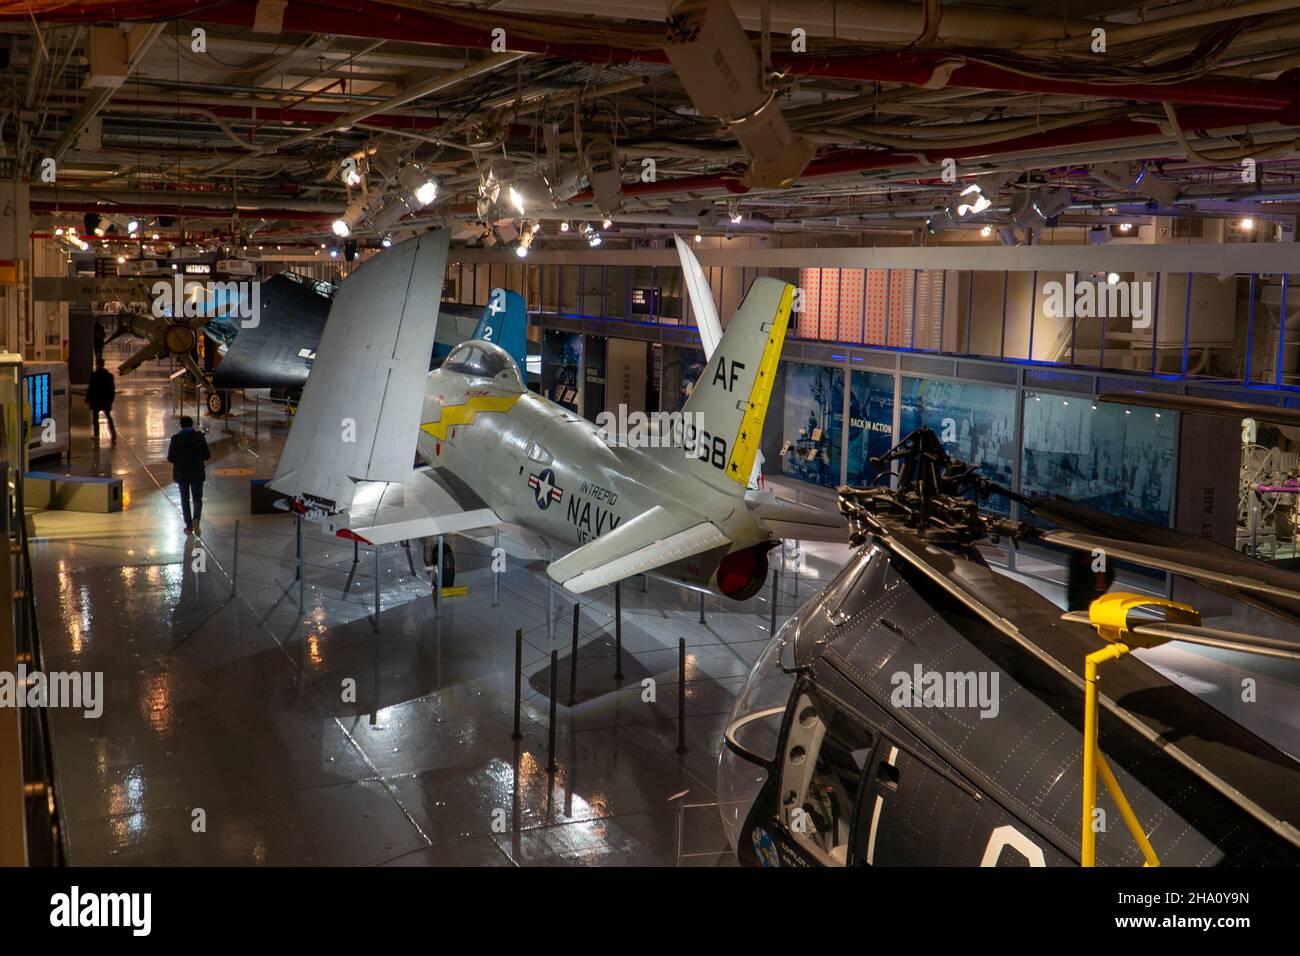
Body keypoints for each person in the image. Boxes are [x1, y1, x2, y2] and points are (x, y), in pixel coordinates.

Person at [167, 416, 211, 534]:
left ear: (181, 425)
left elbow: (170, 458)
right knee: (197, 498)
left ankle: (188, 526)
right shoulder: (199, 438)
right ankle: (196, 519)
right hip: (197, 472)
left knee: (185, 499)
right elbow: (207, 455)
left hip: (182, 474)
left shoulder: (176, 440)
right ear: (192, 425)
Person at [85, 358, 117, 441]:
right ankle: (113, 433)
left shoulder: (94, 375)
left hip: (96, 400)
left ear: (98, 365)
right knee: (108, 417)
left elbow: (90, 388)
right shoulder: (109, 376)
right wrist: (111, 399)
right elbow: (112, 389)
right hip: (106, 400)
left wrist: (87, 399)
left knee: (95, 417)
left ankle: (97, 434)